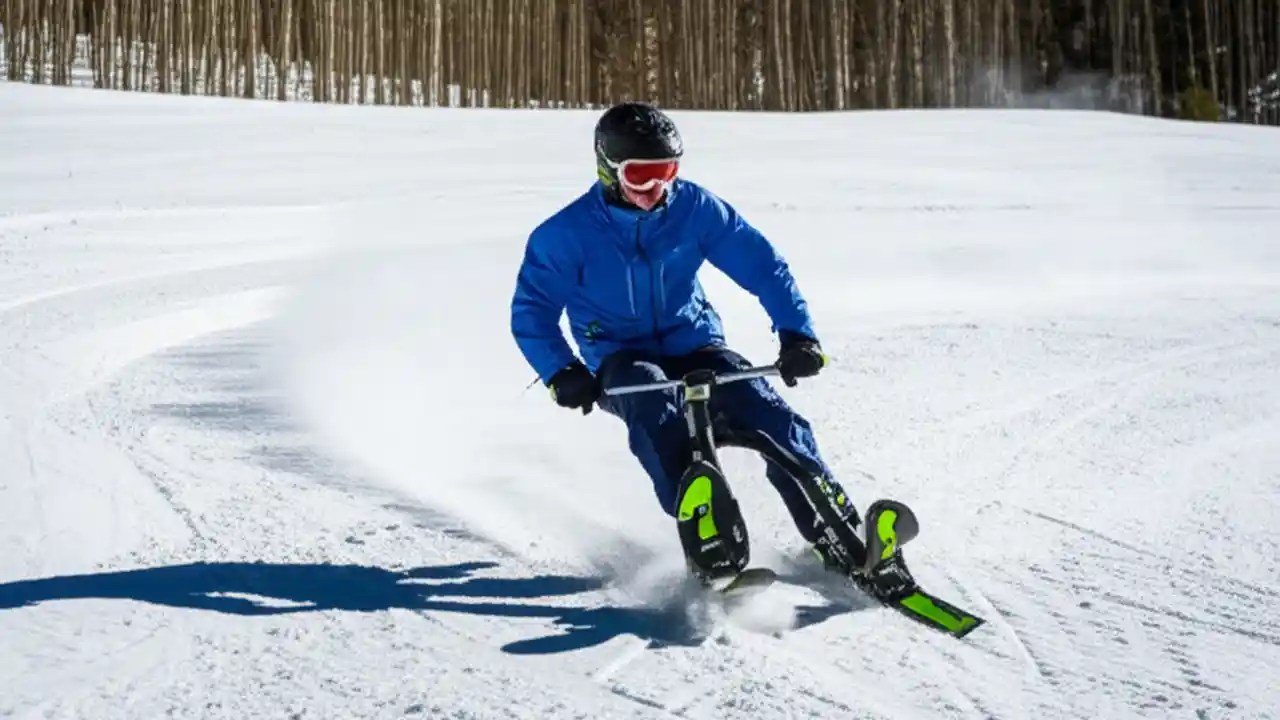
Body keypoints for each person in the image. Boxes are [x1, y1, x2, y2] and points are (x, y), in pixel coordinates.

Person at [510, 101, 911, 595]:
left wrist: (797, 333)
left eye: (666, 173)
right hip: (620, 357)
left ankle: (839, 534)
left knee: (768, 414)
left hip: (696, 343)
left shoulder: (694, 209)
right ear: (608, 170)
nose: (656, 190)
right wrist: (561, 371)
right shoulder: (566, 234)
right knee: (657, 409)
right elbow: (531, 310)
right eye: (640, 176)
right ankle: (707, 535)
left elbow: (763, 265)